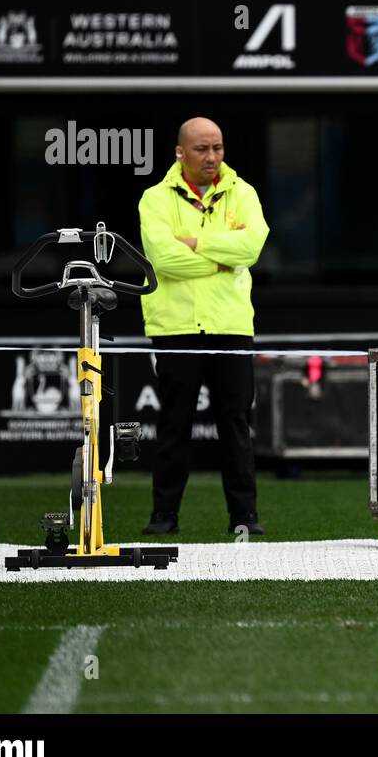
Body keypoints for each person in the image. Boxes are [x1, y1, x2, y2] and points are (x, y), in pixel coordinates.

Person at [137, 117, 270, 536]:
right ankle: (164, 516)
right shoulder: (154, 199)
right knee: (174, 425)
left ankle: (244, 517)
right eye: (201, 149)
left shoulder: (243, 192)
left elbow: (252, 247)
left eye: (217, 147)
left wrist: (196, 243)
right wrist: (221, 256)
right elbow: (164, 259)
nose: (212, 157)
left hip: (230, 325)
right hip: (175, 327)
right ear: (180, 152)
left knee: (235, 424)